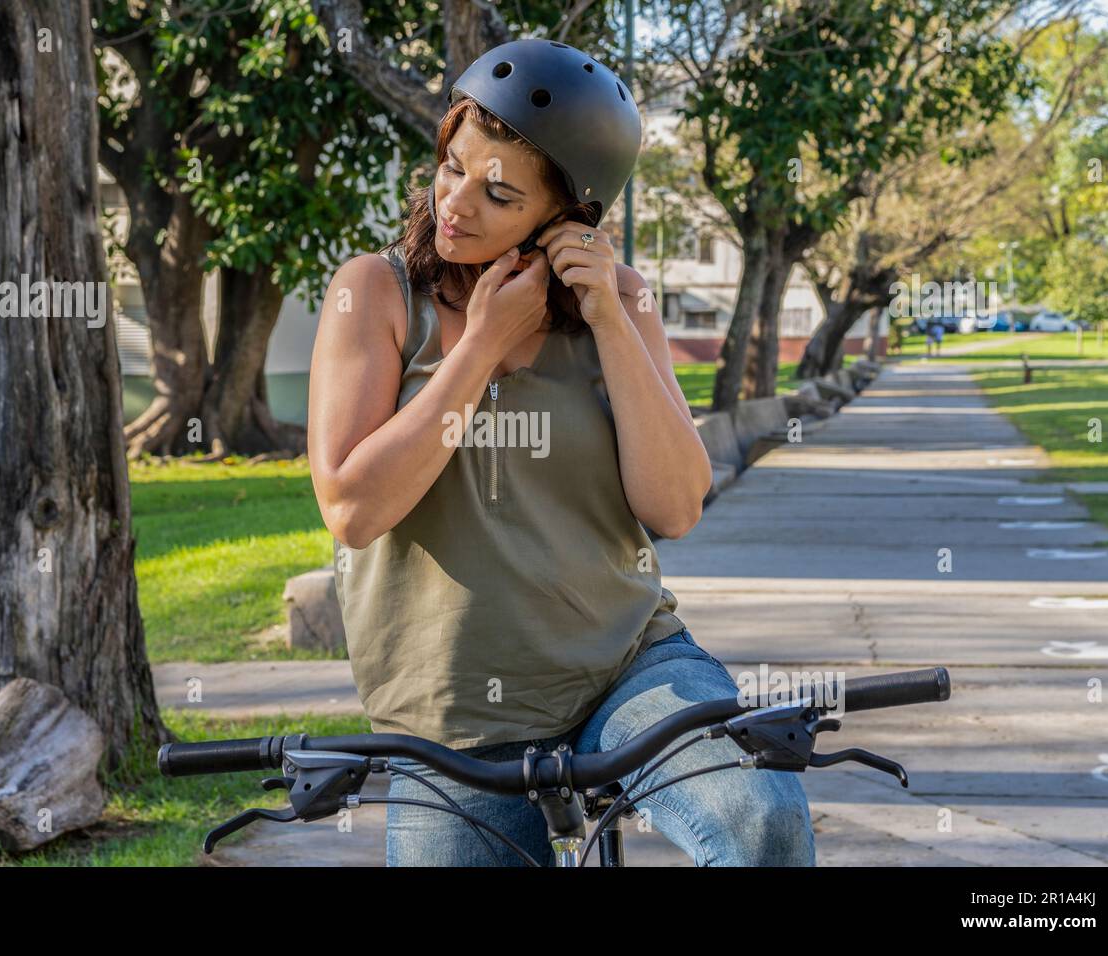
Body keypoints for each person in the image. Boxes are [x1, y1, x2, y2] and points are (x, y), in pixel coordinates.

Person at [307, 38, 816, 867]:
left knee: (763, 821)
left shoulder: (621, 301)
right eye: (452, 167)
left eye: (498, 192)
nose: (456, 204)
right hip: (454, 715)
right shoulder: (374, 291)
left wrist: (613, 323)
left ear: (565, 217)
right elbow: (353, 509)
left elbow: (676, 506)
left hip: (626, 668)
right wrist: (477, 351)